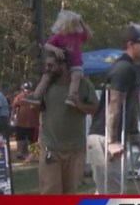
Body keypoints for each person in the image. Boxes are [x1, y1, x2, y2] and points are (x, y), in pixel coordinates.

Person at [86, 23, 140, 194]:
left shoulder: (139, 68)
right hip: (104, 136)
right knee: (112, 191)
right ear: (130, 45)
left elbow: (132, 103)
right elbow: (114, 104)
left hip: (114, 135)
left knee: (109, 189)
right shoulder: (123, 68)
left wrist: (133, 132)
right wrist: (111, 141)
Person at [38, 51, 99, 194]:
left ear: (63, 65)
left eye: (51, 65)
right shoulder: (46, 84)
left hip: (75, 149)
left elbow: (96, 109)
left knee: (70, 193)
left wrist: (79, 105)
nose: (47, 68)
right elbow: (38, 106)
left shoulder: (83, 84)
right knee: (50, 192)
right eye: (46, 64)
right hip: (51, 148)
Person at [24, 10, 92, 107]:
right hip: (61, 65)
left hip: (75, 64)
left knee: (76, 76)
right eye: (74, 24)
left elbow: (88, 35)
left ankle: (72, 96)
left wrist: (82, 21)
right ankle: (36, 96)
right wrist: (55, 49)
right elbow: (46, 45)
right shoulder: (59, 36)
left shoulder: (77, 36)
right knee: (46, 77)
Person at [12, 82, 40, 162]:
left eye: (29, 89)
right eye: (25, 89)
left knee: (34, 140)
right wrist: (12, 117)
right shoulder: (19, 97)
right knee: (20, 138)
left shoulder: (35, 96)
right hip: (21, 122)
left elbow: (41, 107)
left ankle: (34, 154)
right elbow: (14, 106)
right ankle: (20, 153)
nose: (27, 91)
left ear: (32, 89)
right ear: (23, 89)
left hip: (34, 123)